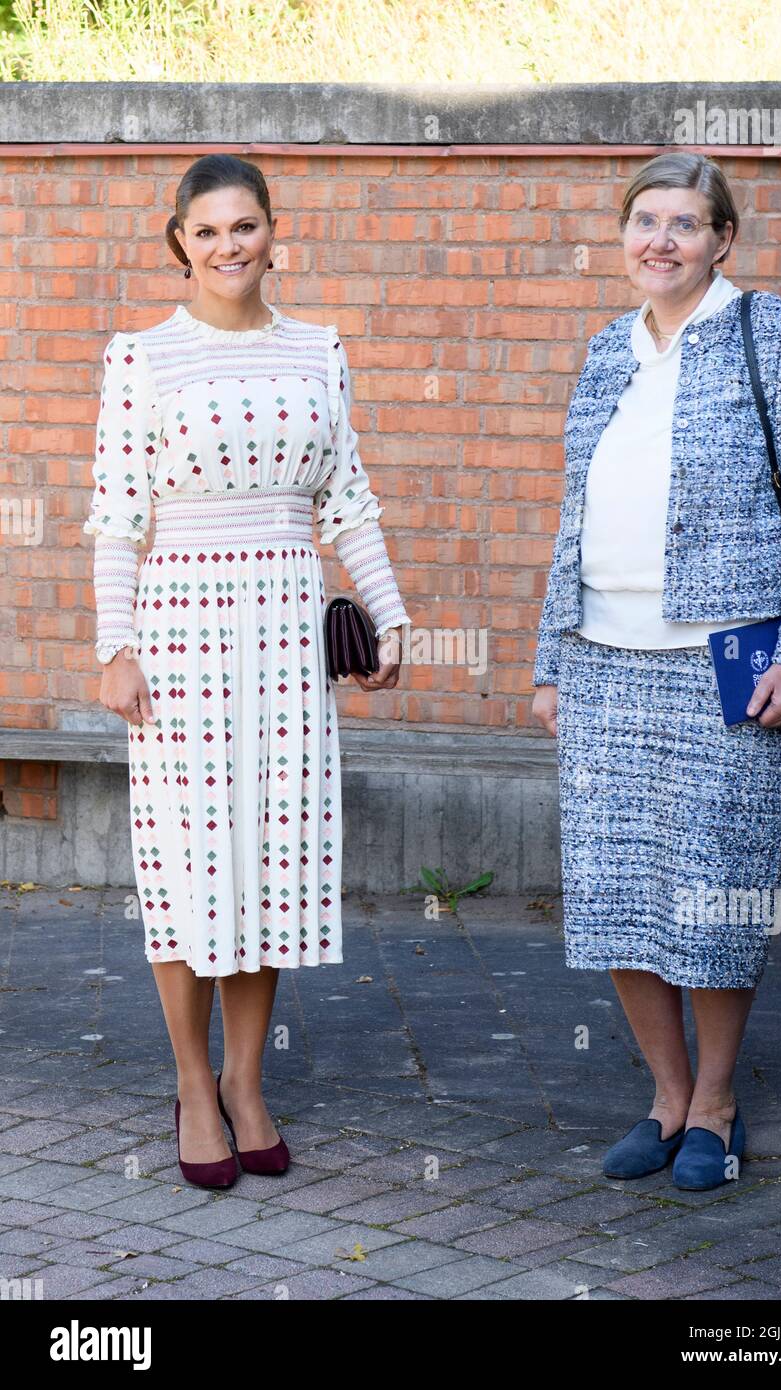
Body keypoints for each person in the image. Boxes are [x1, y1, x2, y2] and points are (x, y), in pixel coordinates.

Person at [83, 154, 412, 1189]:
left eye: (246, 226)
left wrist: (390, 614)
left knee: (270, 858)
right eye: (208, 230)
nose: (228, 246)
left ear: (274, 233)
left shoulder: (319, 349)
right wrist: (115, 647)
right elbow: (116, 516)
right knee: (187, 865)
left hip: (284, 632)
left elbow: (348, 499)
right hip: (179, 633)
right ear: (179, 241)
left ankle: (246, 1081)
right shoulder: (141, 357)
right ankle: (193, 1085)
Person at [531, 151, 781, 1191]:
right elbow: (573, 512)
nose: (659, 240)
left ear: (721, 240)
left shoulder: (773, 333)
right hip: (601, 661)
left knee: (717, 893)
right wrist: (550, 660)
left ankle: (715, 1103)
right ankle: (665, 1098)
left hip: (724, 664)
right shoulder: (603, 349)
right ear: (622, 235)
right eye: (643, 220)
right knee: (617, 892)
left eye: (683, 223)